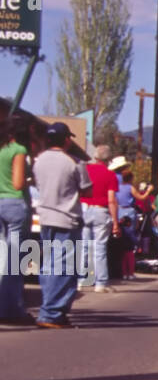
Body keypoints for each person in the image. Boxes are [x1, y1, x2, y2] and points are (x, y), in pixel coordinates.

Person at [33, 122, 91, 328]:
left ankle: (50, 308)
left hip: (45, 218)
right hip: (67, 219)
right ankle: (52, 312)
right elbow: (87, 190)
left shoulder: (38, 161)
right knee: (65, 267)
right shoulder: (74, 162)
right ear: (66, 139)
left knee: (48, 264)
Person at [0, 111, 35, 325]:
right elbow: (18, 183)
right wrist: (30, 179)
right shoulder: (18, 150)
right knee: (14, 261)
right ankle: (11, 309)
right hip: (14, 203)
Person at [80, 144, 121, 292]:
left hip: (84, 209)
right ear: (109, 160)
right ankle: (100, 283)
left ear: (95, 157)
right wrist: (116, 222)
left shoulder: (86, 170)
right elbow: (111, 200)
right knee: (100, 248)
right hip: (101, 211)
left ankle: (81, 280)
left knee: (83, 246)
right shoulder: (111, 175)